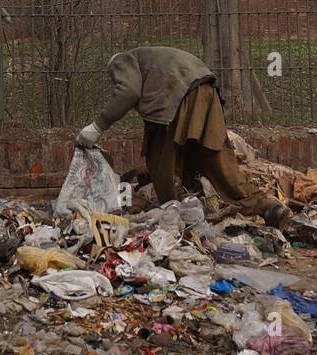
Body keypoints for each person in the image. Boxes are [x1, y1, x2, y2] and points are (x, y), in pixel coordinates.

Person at [75, 46, 288, 225]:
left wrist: (97, 126)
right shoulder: (151, 57)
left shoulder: (121, 61)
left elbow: (128, 91)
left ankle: (172, 214)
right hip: (205, 89)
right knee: (217, 160)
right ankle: (268, 207)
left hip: (176, 96)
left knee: (161, 160)